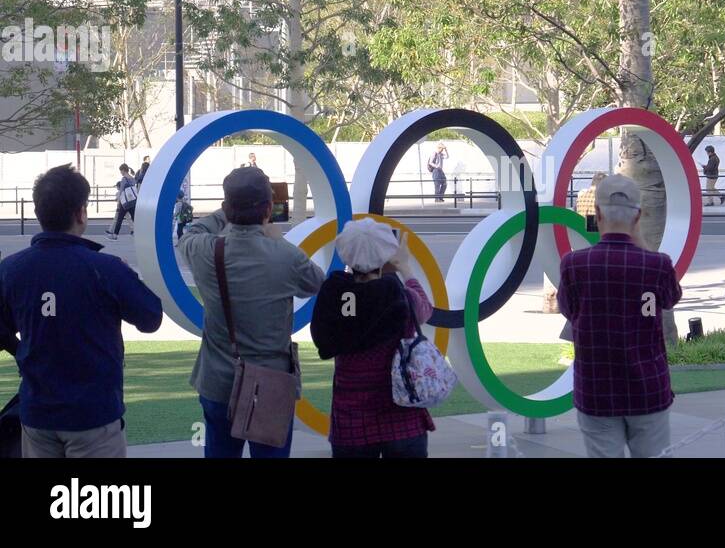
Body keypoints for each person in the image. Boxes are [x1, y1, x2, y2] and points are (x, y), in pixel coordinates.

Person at [0, 165, 163, 457]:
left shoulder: (11, 269)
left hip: (37, 410)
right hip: (93, 415)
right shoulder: (105, 269)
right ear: (80, 213)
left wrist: (22, 351)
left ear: (38, 213)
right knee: (97, 503)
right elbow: (151, 317)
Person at [178, 167, 325, 458]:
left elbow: (191, 233)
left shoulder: (205, 250)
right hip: (271, 383)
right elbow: (316, 282)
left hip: (218, 380)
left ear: (225, 206)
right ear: (269, 208)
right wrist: (278, 239)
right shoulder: (285, 256)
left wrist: (226, 213)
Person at [558, 174, 682, 458]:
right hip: (648, 389)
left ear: (597, 213)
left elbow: (568, 309)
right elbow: (671, 298)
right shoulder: (657, 265)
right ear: (638, 216)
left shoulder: (574, 265)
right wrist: (641, 241)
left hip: (596, 390)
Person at [310, 218, 436, 458]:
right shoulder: (399, 294)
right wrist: (404, 267)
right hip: (402, 419)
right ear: (386, 256)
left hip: (351, 422)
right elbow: (425, 310)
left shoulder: (336, 294)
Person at [106, 164, 138, 240]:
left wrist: (119, 202)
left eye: (121, 171)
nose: (121, 172)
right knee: (134, 218)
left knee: (119, 219)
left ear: (123, 170)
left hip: (125, 203)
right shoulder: (133, 179)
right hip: (132, 201)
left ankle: (115, 235)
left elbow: (121, 191)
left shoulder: (124, 179)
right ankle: (139, 233)